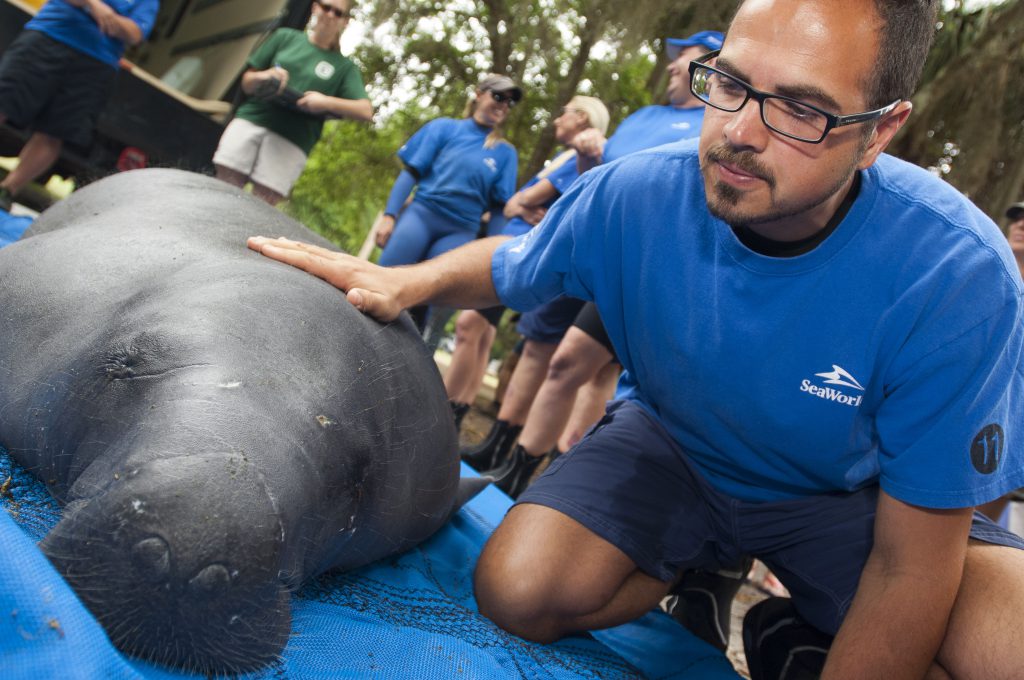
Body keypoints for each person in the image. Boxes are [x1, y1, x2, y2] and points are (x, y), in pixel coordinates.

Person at [248, 0, 1024, 676]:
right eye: (730, 82)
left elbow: (910, 564)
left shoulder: (958, 273)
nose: (740, 133)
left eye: (800, 109)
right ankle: (690, 562)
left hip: (842, 497)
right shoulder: (640, 190)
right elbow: (517, 265)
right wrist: (409, 282)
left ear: (881, 130)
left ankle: (792, 634)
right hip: (672, 449)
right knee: (516, 590)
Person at [465, 31, 722, 496]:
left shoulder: (718, 123)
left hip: (651, 271)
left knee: (585, 373)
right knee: (551, 355)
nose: (669, 66)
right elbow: (600, 187)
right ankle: (508, 460)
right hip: (602, 256)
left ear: (708, 65)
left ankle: (545, 479)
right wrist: (586, 158)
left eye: (681, 57)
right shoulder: (643, 117)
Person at [444, 95, 610, 431]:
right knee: (479, 330)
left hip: (519, 253)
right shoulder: (562, 157)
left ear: (581, 118)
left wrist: (523, 204)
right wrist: (519, 205)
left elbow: (526, 199)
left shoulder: (576, 160)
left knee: (469, 326)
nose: (556, 121)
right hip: (513, 246)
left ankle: (446, 412)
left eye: (562, 113)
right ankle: (456, 412)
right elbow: (510, 207)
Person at [374, 73, 521, 331]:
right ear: (478, 94)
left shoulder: (505, 153)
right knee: (380, 281)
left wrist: (494, 254)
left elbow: (499, 209)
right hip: (421, 215)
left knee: (425, 303)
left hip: (459, 231)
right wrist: (389, 216)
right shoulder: (444, 128)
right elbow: (411, 173)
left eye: (509, 102)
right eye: (498, 96)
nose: (503, 105)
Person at [0, 0, 159, 212]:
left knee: (55, 133)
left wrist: (108, 17)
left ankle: (7, 190)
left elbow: (136, 33)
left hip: (97, 64)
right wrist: (95, 6)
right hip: (48, 36)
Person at [212, 0, 372, 206]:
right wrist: (268, 76)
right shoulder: (284, 37)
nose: (330, 15)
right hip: (252, 121)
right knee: (222, 189)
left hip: (292, 140)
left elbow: (365, 110)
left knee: (261, 206)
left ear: (345, 22)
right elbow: (246, 83)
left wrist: (324, 102)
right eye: (326, 7)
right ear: (315, 7)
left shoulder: (344, 68)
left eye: (338, 12)